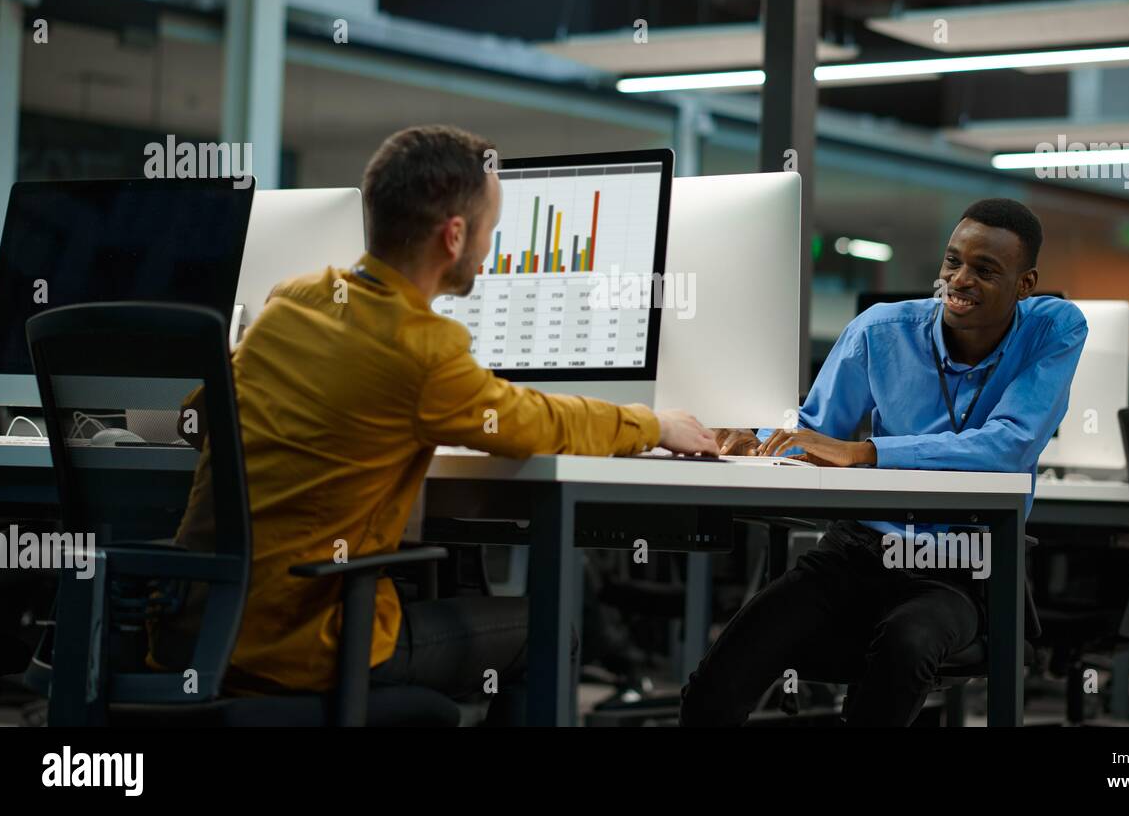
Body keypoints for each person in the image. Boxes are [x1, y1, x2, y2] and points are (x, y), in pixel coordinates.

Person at [157, 125, 715, 713]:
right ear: (453, 237)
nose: (490, 247)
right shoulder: (422, 349)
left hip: (193, 636)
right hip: (303, 650)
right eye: (490, 231)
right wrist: (650, 424)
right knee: (551, 631)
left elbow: (199, 412)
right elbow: (534, 422)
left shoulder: (292, 300)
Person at [680, 198, 1087, 726]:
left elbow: (1008, 447)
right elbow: (815, 428)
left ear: (1025, 284)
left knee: (907, 643)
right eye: (952, 261)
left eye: (985, 270)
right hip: (857, 551)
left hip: (959, 565)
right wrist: (754, 439)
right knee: (734, 660)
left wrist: (868, 453)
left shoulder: (1053, 329)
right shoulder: (881, 331)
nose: (959, 280)